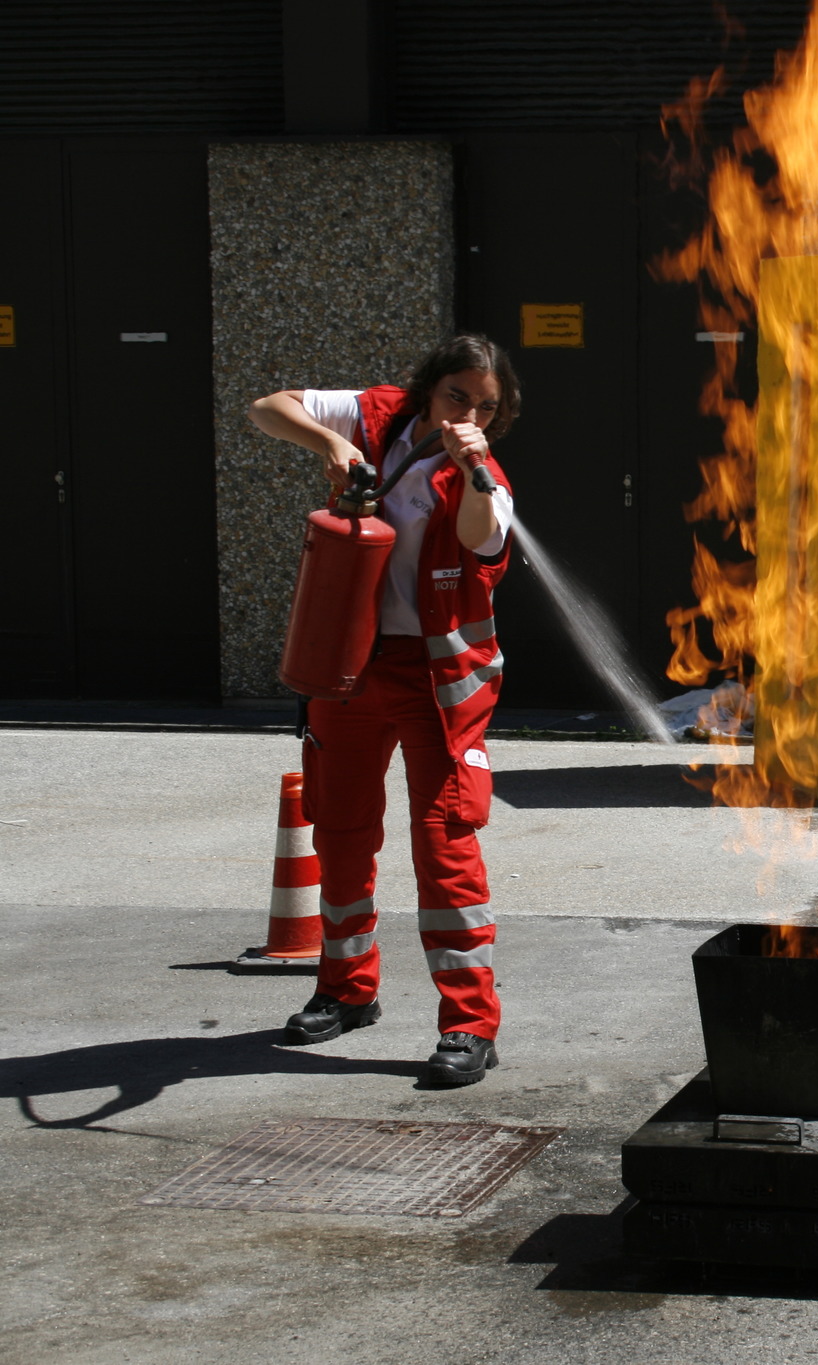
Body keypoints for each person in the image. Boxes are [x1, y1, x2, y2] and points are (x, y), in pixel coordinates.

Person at [248, 334, 520, 1086]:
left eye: (487, 406)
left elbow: (478, 536)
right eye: (458, 395)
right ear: (430, 390)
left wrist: (470, 469)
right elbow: (267, 409)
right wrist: (331, 442)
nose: (470, 412)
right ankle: (345, 987)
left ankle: (470, 1022)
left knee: (444, 844)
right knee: (339, 830)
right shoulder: (375, 416)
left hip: (438, 682)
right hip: (350, 670)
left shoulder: (486, 479)